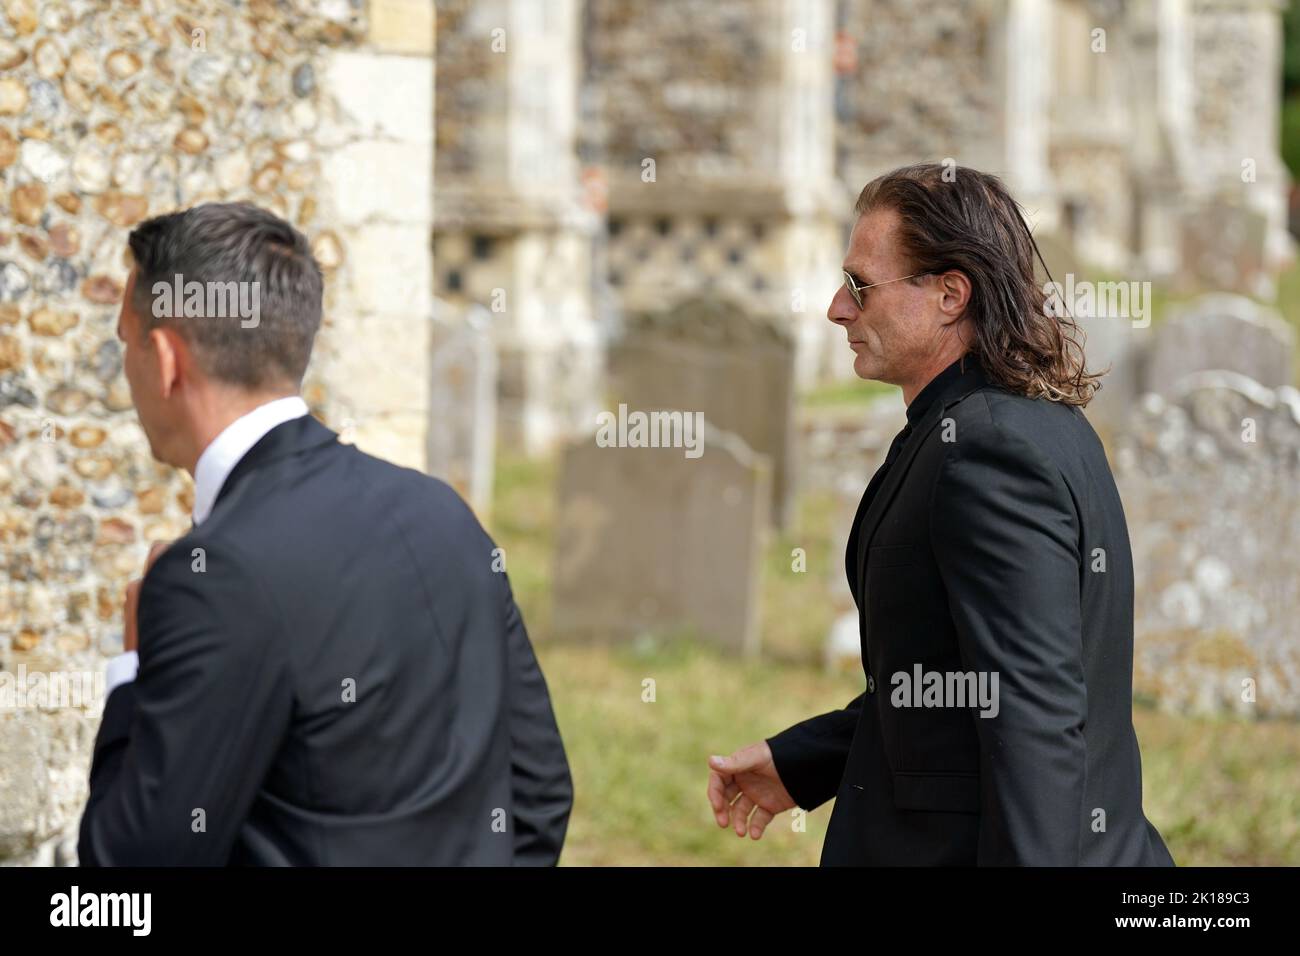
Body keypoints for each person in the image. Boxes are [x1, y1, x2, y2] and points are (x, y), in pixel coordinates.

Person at [707, 163, 1174, 866]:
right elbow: (956, 679)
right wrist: (806, 761)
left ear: (951, 294)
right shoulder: (1010, 423)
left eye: (861, 285)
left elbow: (1035, 726)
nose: (838, 308)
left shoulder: (986, 455)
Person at [79, 202, 572, 865]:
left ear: (165, 358)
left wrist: (134, 672)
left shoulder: (211, 574)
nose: (126, 373)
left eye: (124, 340)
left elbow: (130, 866)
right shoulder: (442, 514)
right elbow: (538, 793)